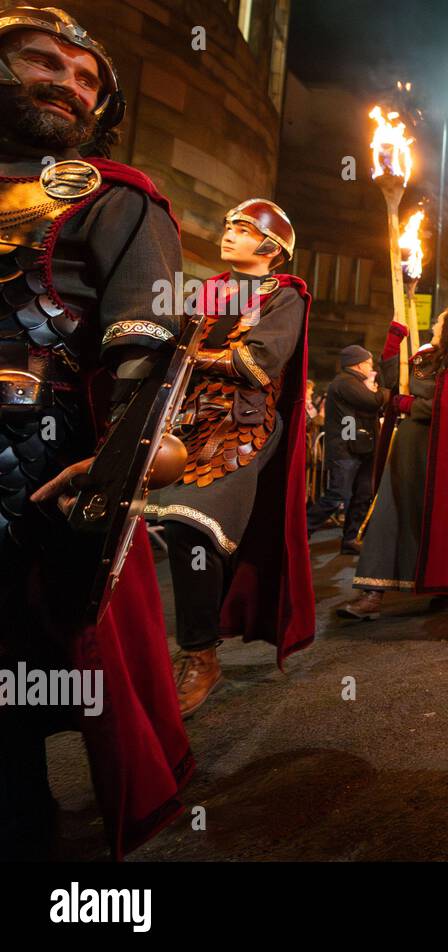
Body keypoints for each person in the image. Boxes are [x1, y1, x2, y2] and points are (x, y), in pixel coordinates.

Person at [0, 6, 191, 858]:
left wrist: (136, 455)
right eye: (43, 62)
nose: (67, 85)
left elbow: (144, 347)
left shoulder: (117, 197)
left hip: (30, 465)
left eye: (85, 79)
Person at [145, 199, 315, 717]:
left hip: (241, 424)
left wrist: (188, 355)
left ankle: (199, 656)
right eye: (228, 227)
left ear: (270, 247)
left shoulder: (285, 296)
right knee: (122, 524)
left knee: (191, 524)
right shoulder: (203, 291)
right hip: (178, 419)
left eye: (242, 230)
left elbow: (257, 361)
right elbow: (159, 337)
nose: (229, 234)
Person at [339, 308, 448, 618]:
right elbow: (390, 382)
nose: (435, 324)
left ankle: (447, 584)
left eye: (440, 321)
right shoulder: (424, 356)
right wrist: (394, 340)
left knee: (436, 520)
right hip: (407, 447)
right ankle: (372, 594)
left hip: (438, 453)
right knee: (388, 512)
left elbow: (445, 407)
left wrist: (407, 404)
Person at [306, 344, 384, 554]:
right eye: (368, 362)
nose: (371, 366)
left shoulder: (355, 382)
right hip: (345, 450)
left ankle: (351, 538)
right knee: (337, 494)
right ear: (357, 365)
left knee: (362, 494)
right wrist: (385, 391)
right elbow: (372, 402)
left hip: (359, 448)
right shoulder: (346, 382)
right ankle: (302, 533)